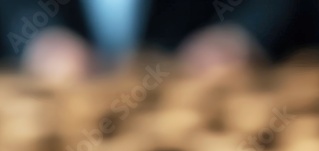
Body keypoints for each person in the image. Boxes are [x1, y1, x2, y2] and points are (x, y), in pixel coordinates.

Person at [0, 0, 295, 80]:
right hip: (71, 96)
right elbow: (16, 7)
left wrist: (238, 35)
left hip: (189, 88)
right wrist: (42, 41)